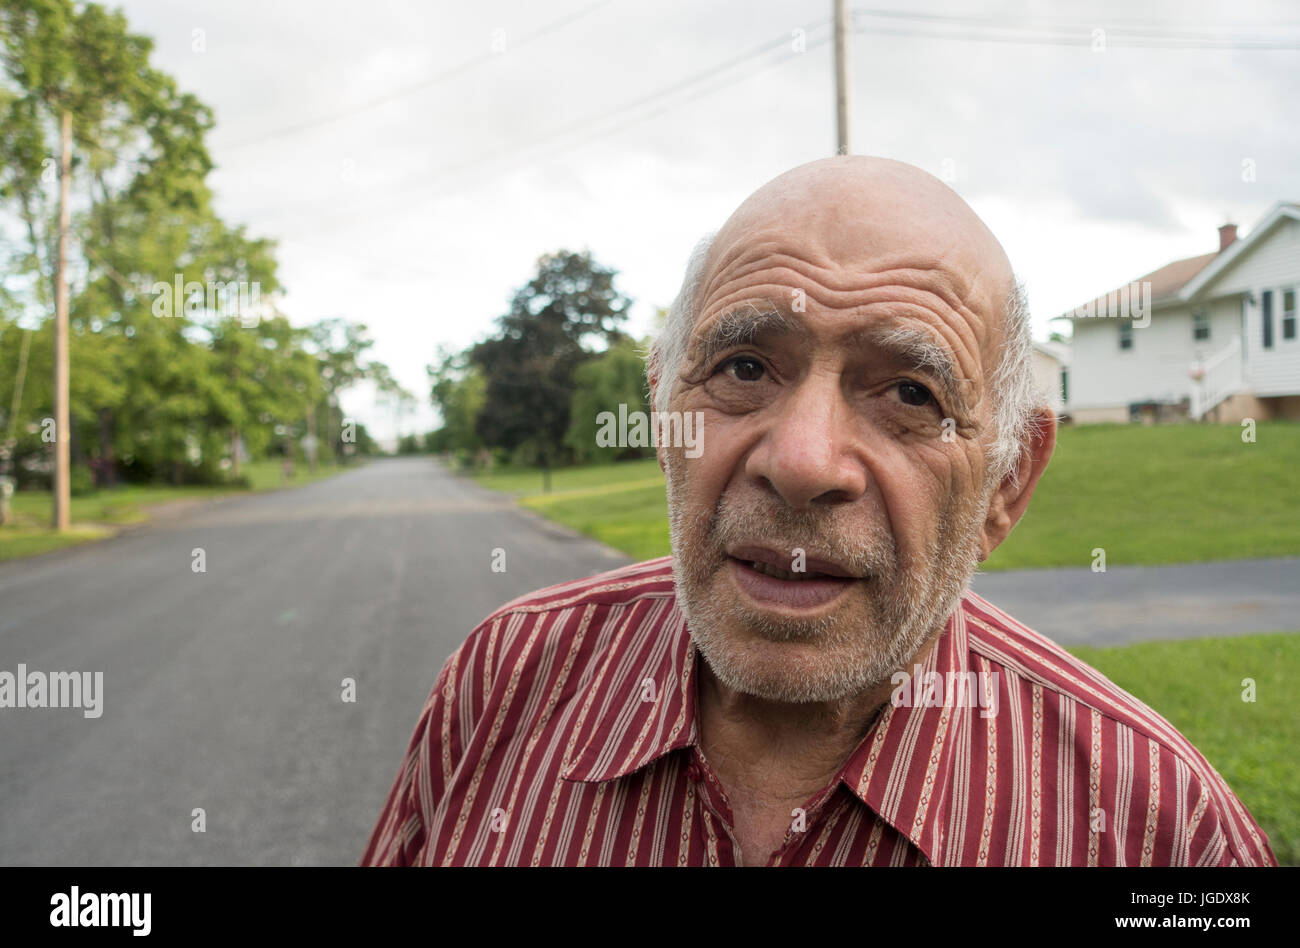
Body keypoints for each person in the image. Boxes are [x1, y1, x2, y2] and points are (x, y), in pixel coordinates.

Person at [359, 156, 1277, 867]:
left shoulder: (1159, 828)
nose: (801, 463)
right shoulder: (502, 682)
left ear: (1005, 485)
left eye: (912, 394)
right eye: (745, 368)